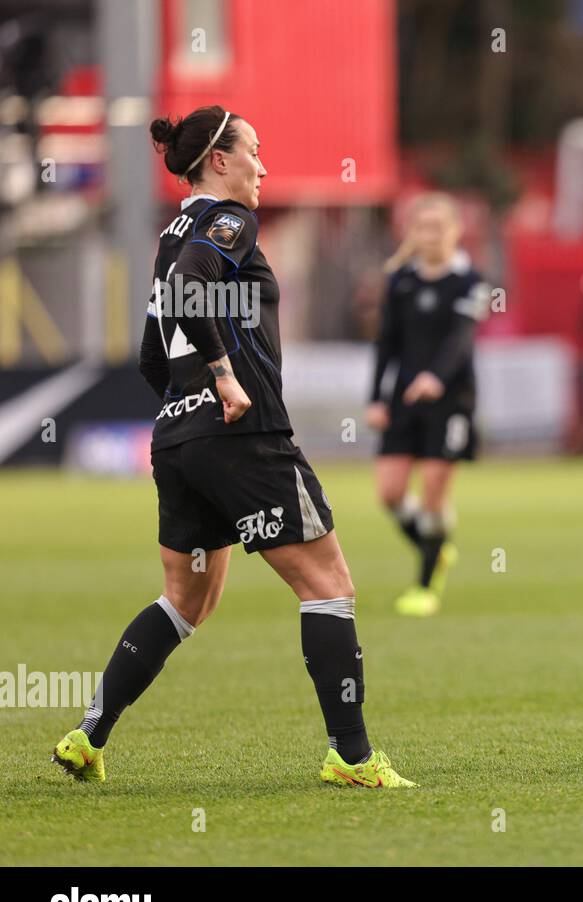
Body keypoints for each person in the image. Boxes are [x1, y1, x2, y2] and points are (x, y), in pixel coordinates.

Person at [52, 105, 415, 788]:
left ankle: (87, 736)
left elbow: (151, 360)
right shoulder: (229, 220)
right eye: (255, 150)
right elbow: (195, 285)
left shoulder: (169, 234)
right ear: (219, 159)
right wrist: (222, 376)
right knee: (329, 585)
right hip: (242, 433)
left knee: (184, 600)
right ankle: (353, 756)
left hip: (180, 439)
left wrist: (190, 402)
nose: (263, 166)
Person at [366, 194, 489, 617]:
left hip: (450, 402)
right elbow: (386, 344)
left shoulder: (471, 281)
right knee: (391, 492)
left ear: (455, 231)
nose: (430, 235)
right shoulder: (400, 280)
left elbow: (461, 338)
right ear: (411, 232)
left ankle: (424, 587)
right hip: (402, 401)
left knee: (434, 494)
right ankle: (435, 549)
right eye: (423, 227)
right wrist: (376, 398)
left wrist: (435, 377)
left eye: (439, 227)